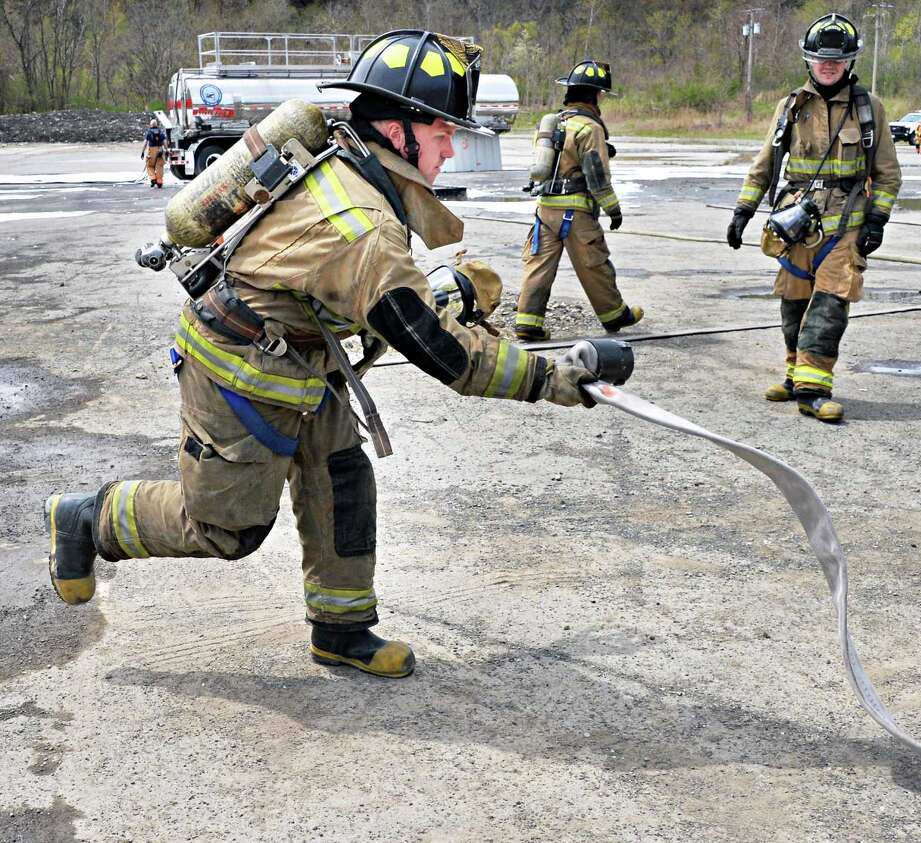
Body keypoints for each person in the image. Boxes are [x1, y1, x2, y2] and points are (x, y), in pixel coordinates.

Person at [43, 31, 617, 680]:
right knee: (227, 530)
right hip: (241, 370)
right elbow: (444, 355)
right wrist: (558, 376)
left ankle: (342, 629)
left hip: (300, 360)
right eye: (439, 131)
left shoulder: (355, 165)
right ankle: (88, 518)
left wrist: (448, 296)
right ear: (396, 131)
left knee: (342, 475)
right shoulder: (363, 224)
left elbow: (375, 296)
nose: (452, 145)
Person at [726, 13, 901, 422]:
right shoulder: (791, 106)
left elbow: (888, 173)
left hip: (846, 223)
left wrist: (877, 220)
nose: (828, 66)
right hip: (795, 223)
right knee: (793, 302)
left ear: (849, 62)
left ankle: (814, 388)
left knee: (830, 303)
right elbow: (766, 163)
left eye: (836, 60)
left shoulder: (869, 108)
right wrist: (743, 210)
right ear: (809, 60)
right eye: (821, 59)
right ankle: (794, 374)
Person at [514, 60, 641, 341]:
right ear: (595, 95)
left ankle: (527, 322)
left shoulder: (553, 124)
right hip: (576, 213)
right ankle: (615, 315)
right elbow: (597, 177)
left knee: (538, 264)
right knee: (594, 264)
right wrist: (613, 209)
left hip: (545, 210)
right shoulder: (590, 129)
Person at [141, 118, 166, 188]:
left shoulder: (148, 132)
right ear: (156, 124)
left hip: (151, 150)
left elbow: (145, 143)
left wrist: (142, 152)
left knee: (149, 165)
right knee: (159, 166)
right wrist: (166, 150)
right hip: (160, 150)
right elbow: (164, 142)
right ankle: (159, 182)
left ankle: (153, 179)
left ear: (150, 125)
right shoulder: (161, 132)